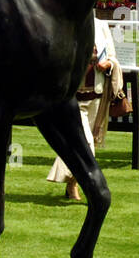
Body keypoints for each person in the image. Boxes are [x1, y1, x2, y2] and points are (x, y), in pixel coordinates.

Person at [48, 15, 121, 200]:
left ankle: (71, 186)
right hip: (73, 98)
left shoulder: (101, 26)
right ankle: (92, 188)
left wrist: (108, 64)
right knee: (85, 143)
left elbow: (112, 56)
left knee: (86, 143)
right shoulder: (66, 23)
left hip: (97, 96)